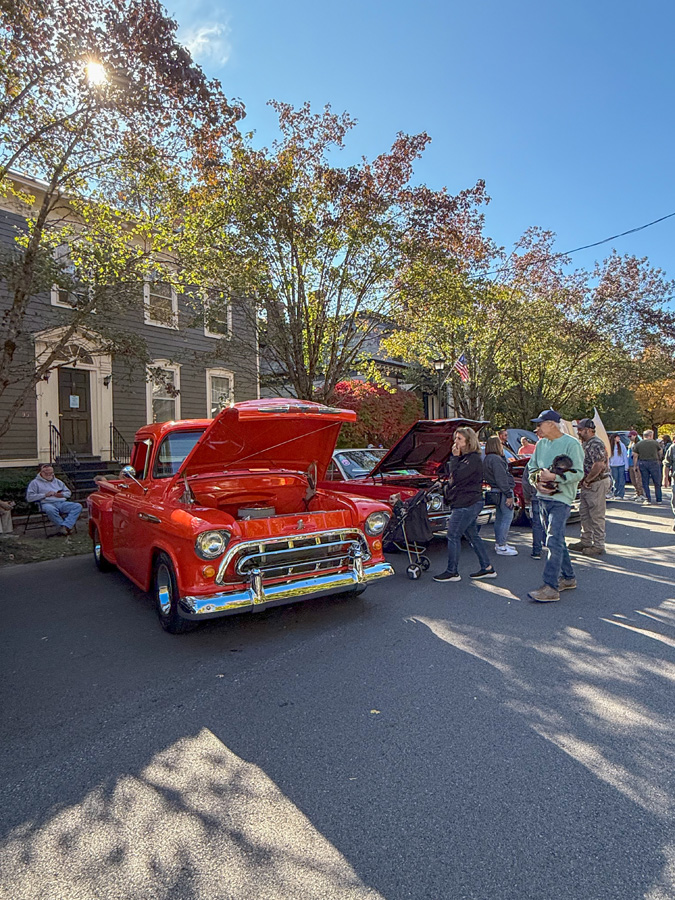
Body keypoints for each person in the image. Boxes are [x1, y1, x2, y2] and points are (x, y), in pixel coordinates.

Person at [525, 410, 584, 603]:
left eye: (540, 424)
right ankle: (568, 578)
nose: (537, 428)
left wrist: (555, 478)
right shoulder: (541, 444)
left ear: (551, 424)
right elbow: (532, 468)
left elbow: (578, 473)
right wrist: (537, 482)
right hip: (543, 498)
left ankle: (550, 587)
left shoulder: (571, 444)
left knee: (552, 540)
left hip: (562, 500)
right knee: (556, 539)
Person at [434, 426, 497, 583]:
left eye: (459, 439)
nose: (455, 442)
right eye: (455, 438)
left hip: (467, 503)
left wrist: (454, 458)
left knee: (453, 534)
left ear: (468, 441)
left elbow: (457, 477)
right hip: (467, 501)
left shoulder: (473, 459)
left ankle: (452, 571)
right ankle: (487, 568)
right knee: (472, 535)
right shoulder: (466, 458)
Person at [569, 419, 610, 557]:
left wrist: (587, 479)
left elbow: (599, 464)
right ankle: (586, 541)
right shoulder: (586, 443)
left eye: (580, 429)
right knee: (585, 514)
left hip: (597, 483)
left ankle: (598, 545)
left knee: (596, 515)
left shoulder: (596, 443)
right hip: (589, 483)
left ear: (588, 429)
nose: (578, 432)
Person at [483, 435, 517, 556]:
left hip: (496, 490)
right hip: (503, 491)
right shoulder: (496, 460)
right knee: (506, 517)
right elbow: (501, 478)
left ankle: (500, 543)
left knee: (499, 518)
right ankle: (501, 545)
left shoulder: (488, 458)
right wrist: (508, 494)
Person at [26, 464, 82, 535]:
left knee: (77, 506)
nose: (49, 475)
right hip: (45, 503)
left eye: (51, 473)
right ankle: (62, 526)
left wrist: (60, 494)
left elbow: (68, 493)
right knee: (50, 509)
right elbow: (29, 497)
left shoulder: (58, 482)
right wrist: (45, 495)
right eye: (46, 473)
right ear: (41, 473)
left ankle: (66, 526)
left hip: (61, 502)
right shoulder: (34, 483)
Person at [633, 429, 663, 504]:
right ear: (650, 435)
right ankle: (659, 499)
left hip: (643, 463)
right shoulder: (655, 443)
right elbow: (660, 451)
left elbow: (635, 456)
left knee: (645, 481)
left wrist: (635, 465)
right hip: (654, 462)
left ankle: (648, 499)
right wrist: (659, 458)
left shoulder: (639, 444)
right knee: (657, 481)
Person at [521, 468, 544, 559]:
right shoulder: (552, 459)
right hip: (552, 497)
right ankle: (553, 549)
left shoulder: (532, 463)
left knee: (537, 524)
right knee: (552, 524)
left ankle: (536, 551)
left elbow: (526, 482)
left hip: (536, 496)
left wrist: (527, 497)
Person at [608, 435, 629, 499]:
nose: (619, 438)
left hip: (621, 465)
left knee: (621, 480)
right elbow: (608, 457)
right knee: (615, 480)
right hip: (613, 465)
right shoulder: (610, 446)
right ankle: (615, 493)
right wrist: (608, 465)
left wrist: (626, 466)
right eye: (617, 437)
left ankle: (621, 494)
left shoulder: (621, 445)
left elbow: (625, 455)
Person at [627, 431, 645, 501]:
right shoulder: (631, 443)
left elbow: (636, 455)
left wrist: (636, 465)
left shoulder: (639, 444)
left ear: (635, 435)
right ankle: (637, 493)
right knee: (633, 480)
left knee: (638, 479)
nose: (629, 438)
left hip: (637, 464)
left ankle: (641, 494)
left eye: (630, 436)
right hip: (630, 463)